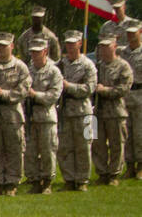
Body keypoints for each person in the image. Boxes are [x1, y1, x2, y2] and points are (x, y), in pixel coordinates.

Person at [0, 32, 32, 196]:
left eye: (4, 46)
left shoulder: (20, 67)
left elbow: (23, 90)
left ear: (11, 46)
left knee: (14, 149)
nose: (1, 49)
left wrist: (5, 94)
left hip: (13, 114)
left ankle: (12, 183)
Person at [56, 31, 97, 191]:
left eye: (74, 43)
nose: (70, 47)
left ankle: (82, 180)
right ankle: (69, 179)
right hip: (65, 112)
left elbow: (90, 88)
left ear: (80, 43)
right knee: (65, 147)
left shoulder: (88, 65)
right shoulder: (60, 65)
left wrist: (69, 86)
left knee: (84, 146)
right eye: (68, 43)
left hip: (84, 111)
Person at [92, 32, 134, 186]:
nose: (103, 50)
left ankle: (114, 174)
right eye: (101, 47)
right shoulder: (96, 66)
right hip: (98, 112)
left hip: (116, 112)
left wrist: (105, 90)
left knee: (117, 144)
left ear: (115, 47)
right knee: (97, 144)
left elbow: (124, 89)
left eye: (107, 46)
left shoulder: (123, 66)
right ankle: (102, 173)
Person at [22, 40, 63, 194]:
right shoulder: (27, 70)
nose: (34, 54)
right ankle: (34, 180)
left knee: (48, 150)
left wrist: (35, 94)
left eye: (38, 51)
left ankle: (47, 182)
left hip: (46, 116)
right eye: (32, 51)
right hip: (30, 116)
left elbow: (54, 95)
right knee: (30, 150)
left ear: (45, 51)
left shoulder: (53, 71)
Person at [118, 18, 142, 179]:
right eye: (128, 34)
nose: (131, 37)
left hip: (140, 94)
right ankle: (130, 165)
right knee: (126, 132)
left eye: (133, 34)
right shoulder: (122, 52)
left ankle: (140, 165)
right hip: (125, 95)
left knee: (140, 132)